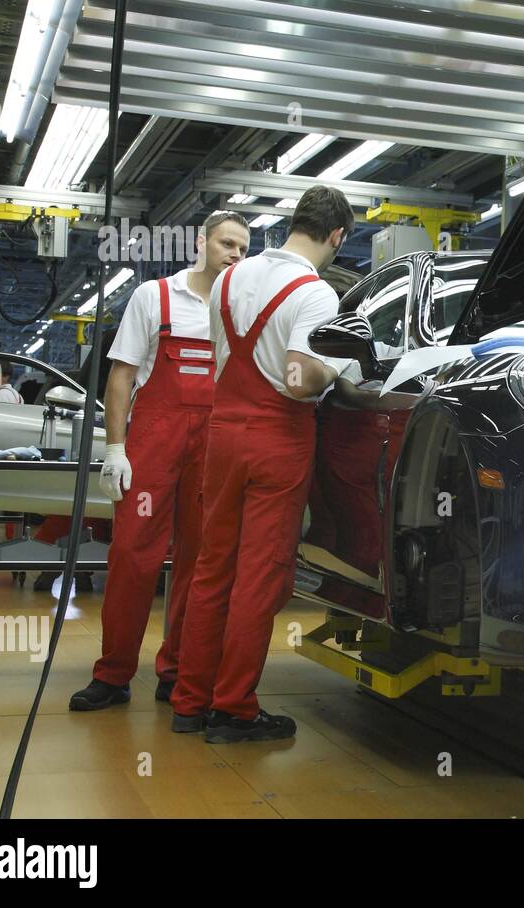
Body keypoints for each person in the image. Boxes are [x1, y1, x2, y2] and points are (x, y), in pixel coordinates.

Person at [171, 185, 357, 743]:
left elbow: (224, 352)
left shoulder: (229, 276)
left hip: (222, 433)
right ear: (338, 237)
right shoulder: (317, 294)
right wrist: (342, 360)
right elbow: (300, 380)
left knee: (211, 566)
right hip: (277, 438)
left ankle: (189, 701)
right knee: (258, 577)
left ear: (295, 222)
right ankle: (234, 709)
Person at [68, 211, 251, 711]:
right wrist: (114, 448)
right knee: (131, 555)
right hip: (155, 443)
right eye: (227, 243)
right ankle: (112, 674)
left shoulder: (241, 308)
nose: (235, 254)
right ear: (201, 243)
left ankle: (179, 671)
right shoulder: (155, 296)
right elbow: (122, 376)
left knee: (200, 561)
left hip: (211, 449)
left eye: (242, 248)